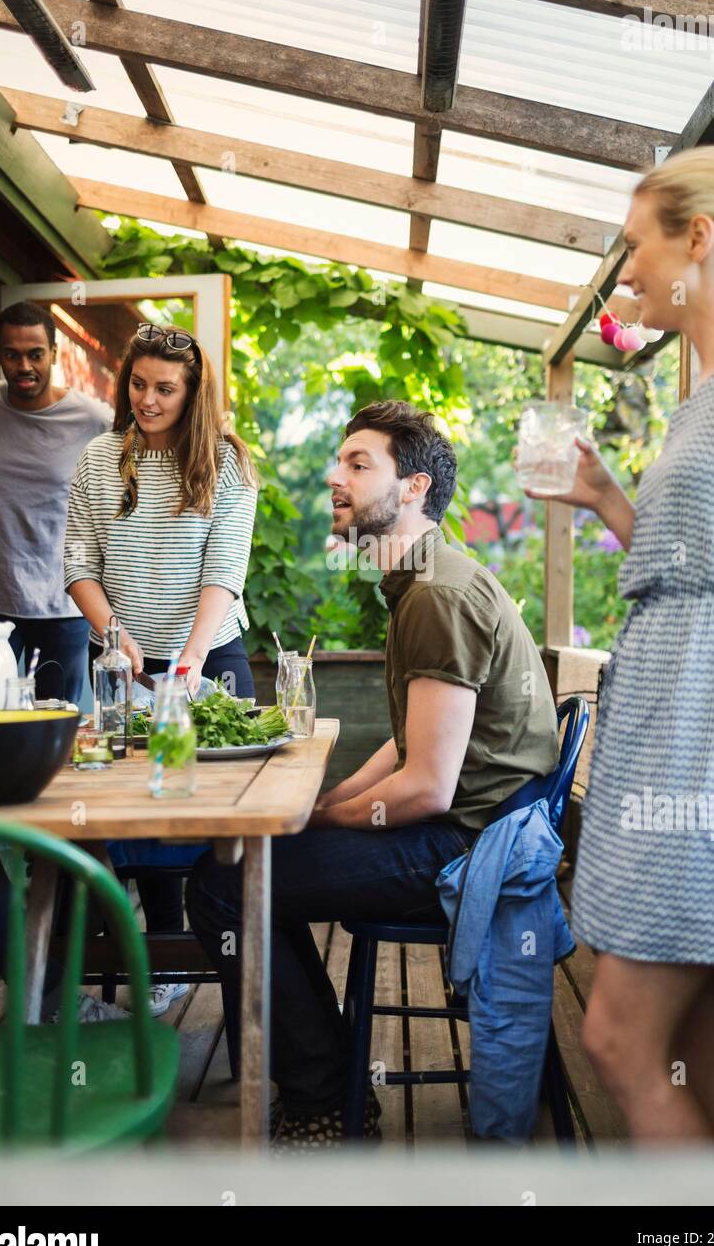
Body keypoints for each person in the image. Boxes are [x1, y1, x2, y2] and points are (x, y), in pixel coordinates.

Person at [525, 146, 714, 1141]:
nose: (621, 273)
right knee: (707, 1023)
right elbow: (693, 559)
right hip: (671, 714)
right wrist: (603, 493)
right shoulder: (702, 393)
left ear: (696, 238)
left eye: (630, 243)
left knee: (616, 1037)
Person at [186, 400, 558, 1148]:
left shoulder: (437, 596)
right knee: (251, 863)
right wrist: (328, 802)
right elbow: (406, 747)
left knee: (224, 885)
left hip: (467, 845)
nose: (335, 477)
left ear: (413, 488)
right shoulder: (421, 582)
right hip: (473, 824)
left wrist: (318, 820)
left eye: (360, 464)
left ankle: (325, 1098)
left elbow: (426, 789)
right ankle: (327, 1080)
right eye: (340, 461)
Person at [65, 322, 259, 1015]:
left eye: (165, 389)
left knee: (222, 811)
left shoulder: (226, 462)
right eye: (139, 385)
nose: (148, 400)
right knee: (125, 807)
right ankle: (156, 955)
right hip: (119, 660)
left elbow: (224, 571)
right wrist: (115, 636)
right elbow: (79, 565)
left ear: (194, 391)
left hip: (210, 654)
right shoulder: (97, 459)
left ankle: (233, 968)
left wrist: (190, 660)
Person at [0, 301, 112, 702]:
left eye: (35, 354)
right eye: (12, 354)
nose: (24, 366)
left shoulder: (93, 419)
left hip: (62, 601)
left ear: (53, 353)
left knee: (57, 726)